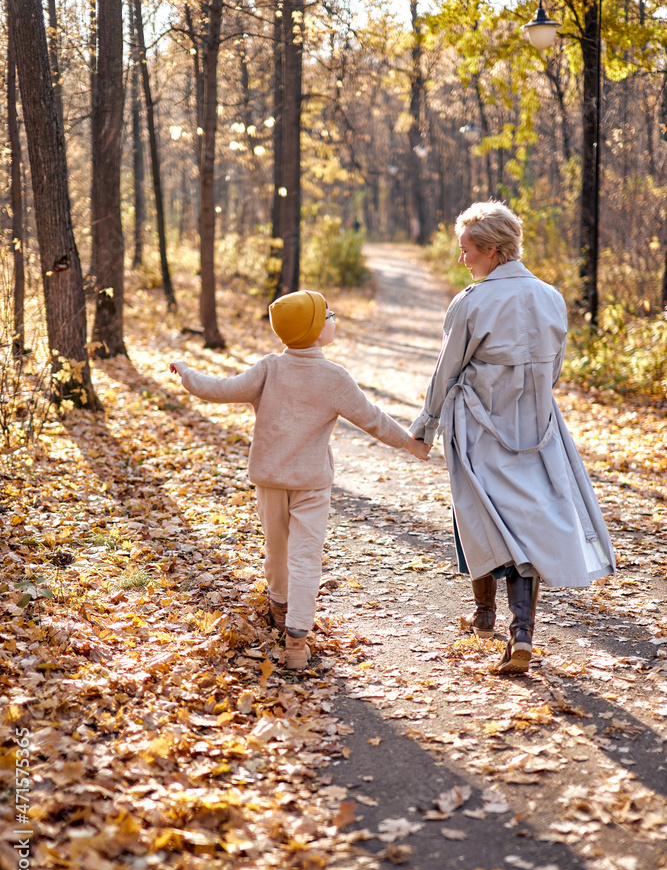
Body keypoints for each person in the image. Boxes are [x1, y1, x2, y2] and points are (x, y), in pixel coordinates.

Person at [170, 290, 430, 670]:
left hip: (270, 481)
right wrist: (410, 444)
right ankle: (296, 642)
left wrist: (186, 372)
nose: (334, 319)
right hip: (311, 484)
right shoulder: (334, 378)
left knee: (277, 549)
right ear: (314, 329)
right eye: (329, 315)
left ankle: (279, 606)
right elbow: (372, 419)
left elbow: (220, 389)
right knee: (306, 560)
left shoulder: (269, 368)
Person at [410, 201, 615, 674]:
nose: (462, 259)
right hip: (537, 425)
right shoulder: (552, 296)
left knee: (480, 511)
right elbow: (555, 368)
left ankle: (488, 616)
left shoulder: (471, 301)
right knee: (524, 522)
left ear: (490, 250)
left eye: (466, 250)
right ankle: (514, 630)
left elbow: (447, 371)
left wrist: (427, 425)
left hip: (480, 423)